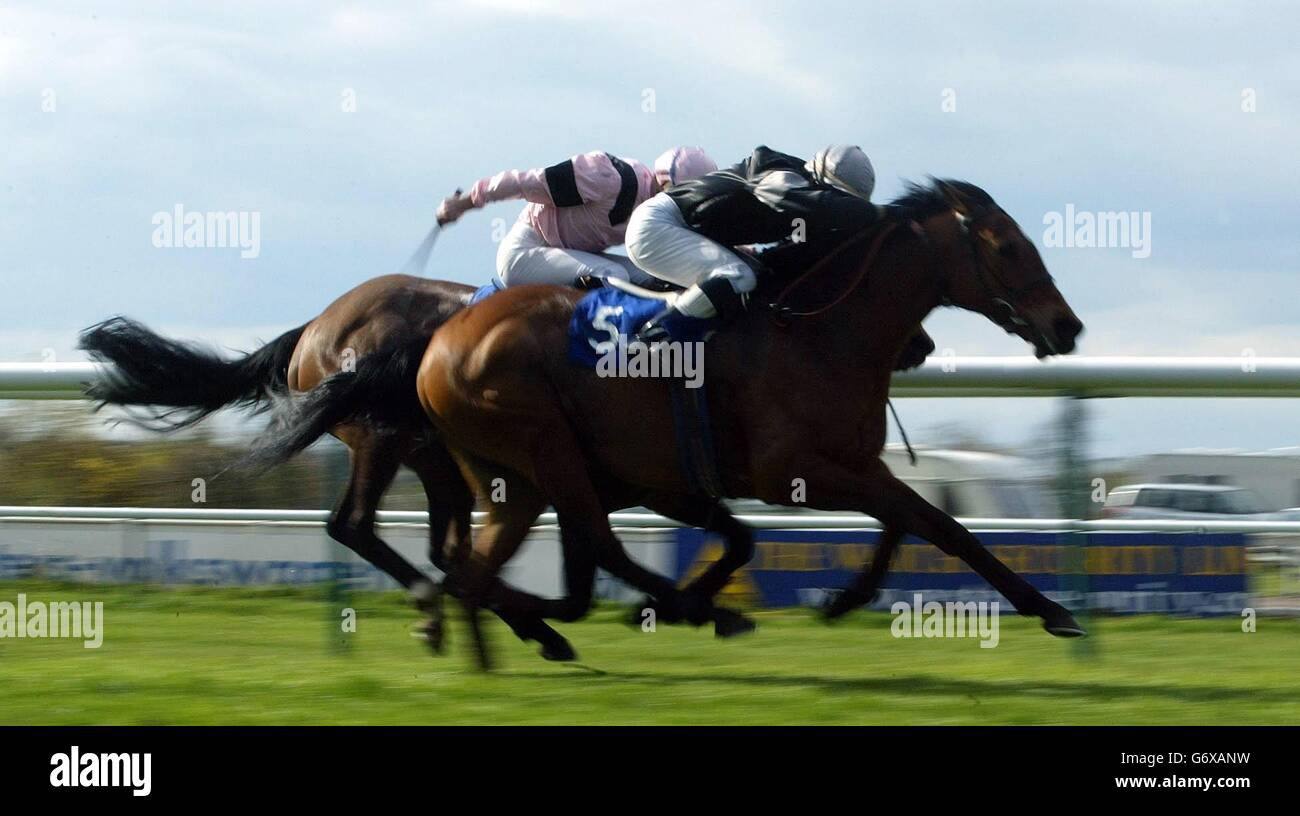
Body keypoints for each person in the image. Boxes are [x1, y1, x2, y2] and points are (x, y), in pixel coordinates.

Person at [625, 144, 878, 341]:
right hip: (657, 226)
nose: (840, 207)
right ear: (821, 180)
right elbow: (813, 202)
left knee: (758, 277)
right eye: (837, 197)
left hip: (681, 228)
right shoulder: (779, 173)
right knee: (738, 276)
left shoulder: (806, 204)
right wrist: (880, 213)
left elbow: (787, 257)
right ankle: (654, 337)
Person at [435, 147, 717, 289]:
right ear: (667, 184)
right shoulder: (608, 176)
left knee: (652, 275)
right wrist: (465, 203)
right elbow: (525, 182)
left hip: (568, 255)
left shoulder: (659, 206)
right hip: (527, 250)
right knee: (615, 275)